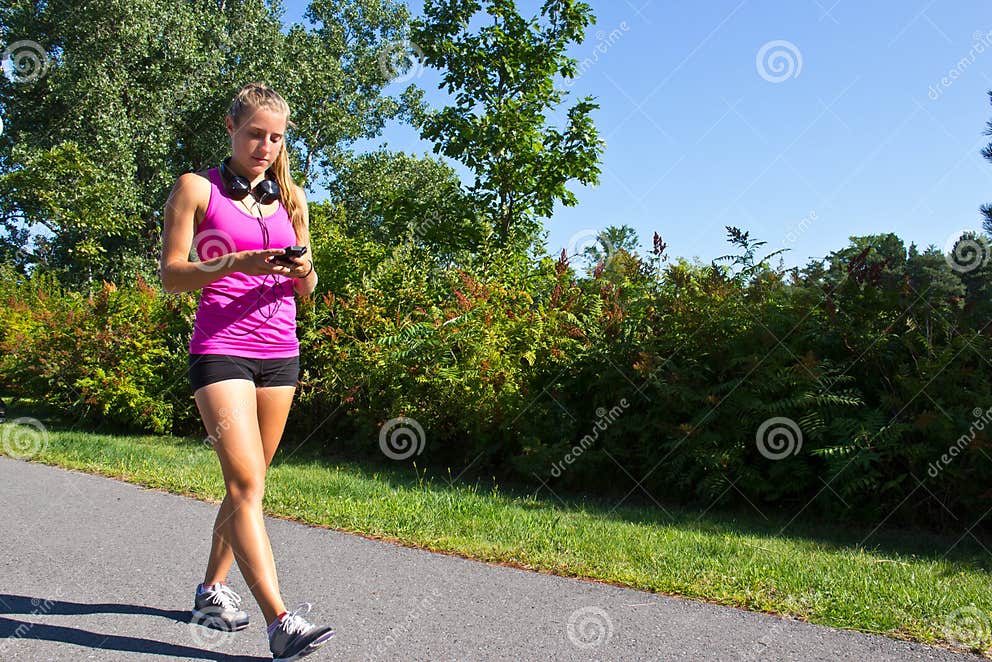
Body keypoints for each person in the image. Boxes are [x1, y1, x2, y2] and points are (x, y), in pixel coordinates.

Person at [159, 82, 334, 661]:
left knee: (249, 485)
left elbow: (308, 290)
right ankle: (280, 622)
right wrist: (233, 261)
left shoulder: (293, 198)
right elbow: (172, 276)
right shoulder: (195, 188)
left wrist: (304, 267)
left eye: (277, 138)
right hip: (222, 348)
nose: (266, 147)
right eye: (256, 134)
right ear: (231, 128)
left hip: (280, 351)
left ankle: (212, 590)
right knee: (246, 486)